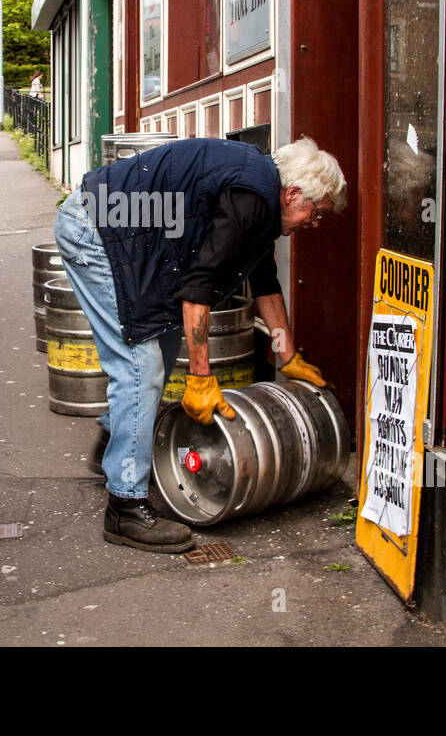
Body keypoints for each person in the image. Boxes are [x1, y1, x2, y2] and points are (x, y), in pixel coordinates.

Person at [53, 136, 345, 553]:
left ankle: (114, 443)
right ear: (294, 193)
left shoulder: (260, 196)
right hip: (95, 231)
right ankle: (125, 509)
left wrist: (288, 356)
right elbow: (199, 288)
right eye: (315, 214)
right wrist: (202, 376)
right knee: (142, 367)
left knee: (161, 351)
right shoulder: (253, 197)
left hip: (135, 239)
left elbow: (264, 283)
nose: (312, 225)